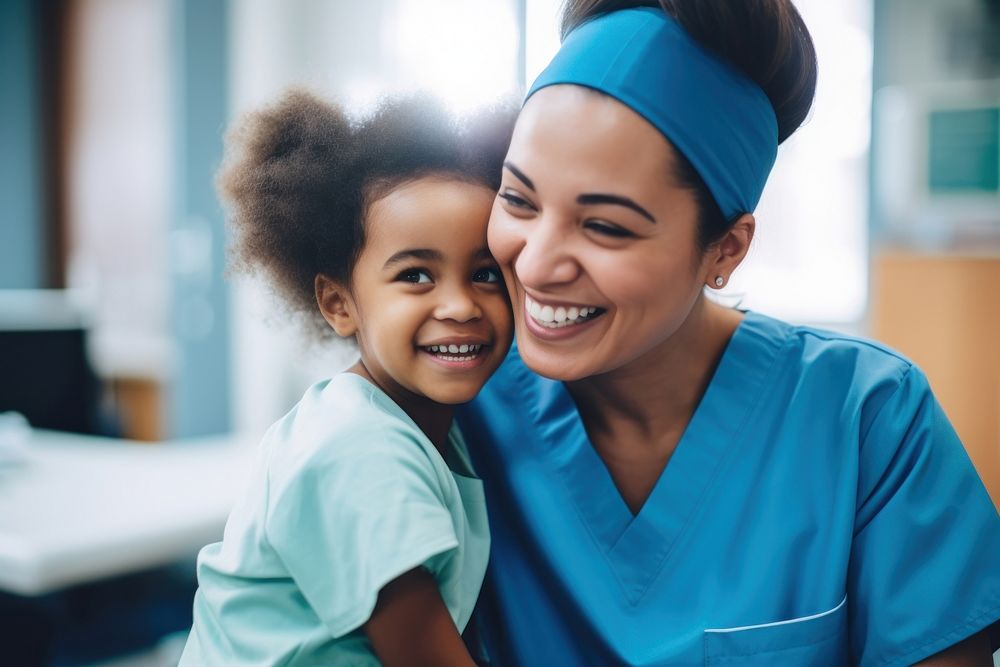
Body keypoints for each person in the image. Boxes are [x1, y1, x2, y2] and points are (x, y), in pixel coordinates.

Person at [457, 2, 1000, 665]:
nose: (536, 264)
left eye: (605, 227)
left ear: (726, 249)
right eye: (518, 199)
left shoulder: (869, 422)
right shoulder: (458, 403)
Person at [179, 90, 514, 666]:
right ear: (339, 304)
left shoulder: (426, 428)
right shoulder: (357, 449)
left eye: (486, 273)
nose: (461, 306)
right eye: (416, 275)